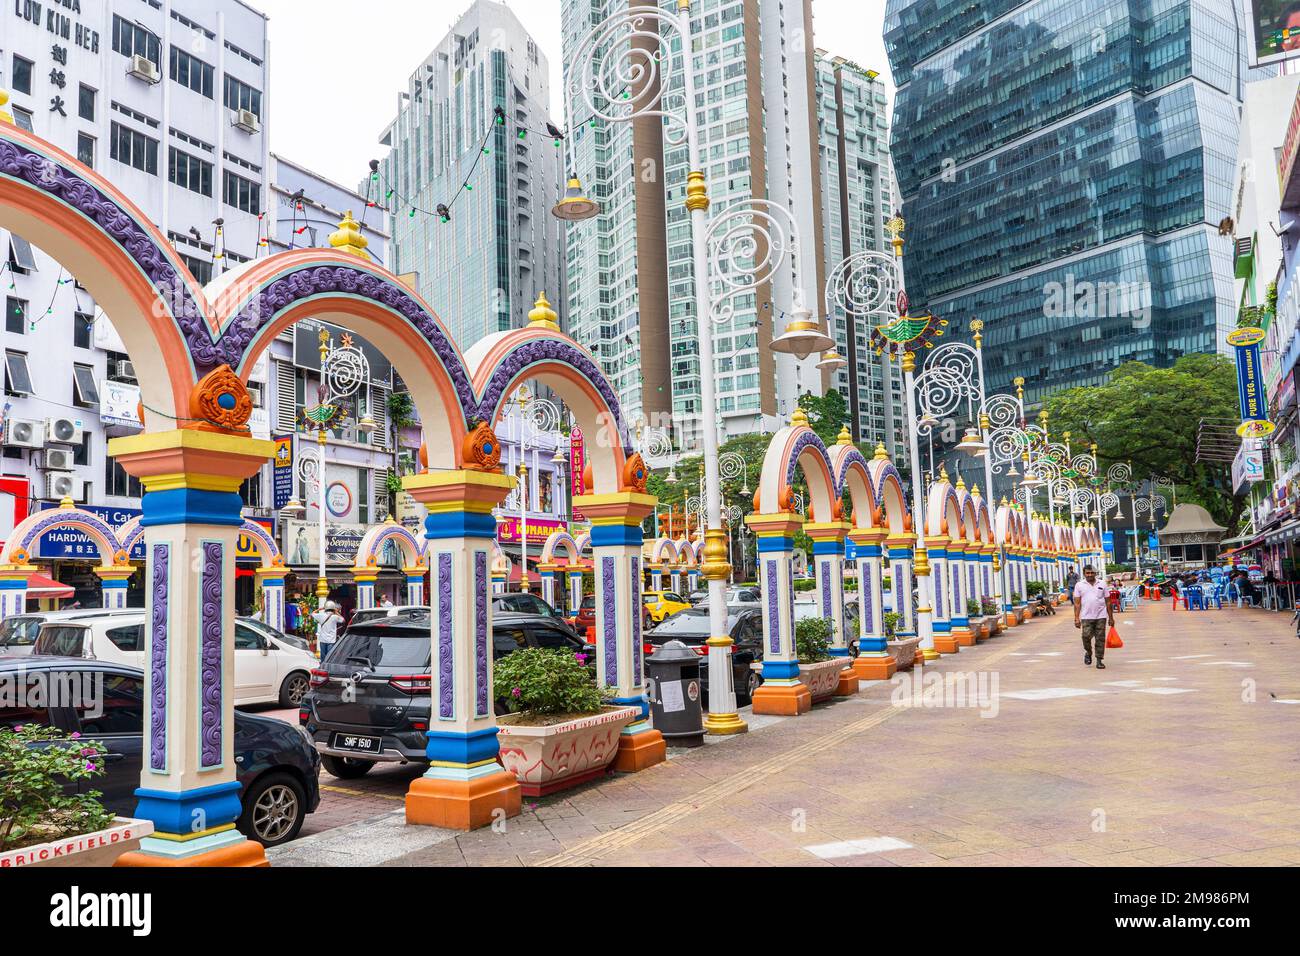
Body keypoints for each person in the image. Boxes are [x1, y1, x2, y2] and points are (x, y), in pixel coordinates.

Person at [1073, 564, 1114, 669]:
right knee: (1085, 637)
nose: (1090, 575)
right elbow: (1077, 603)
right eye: (1087, 573)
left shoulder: (1102, 584)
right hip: (1086, 616)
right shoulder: (1079, 585)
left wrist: (1111, 618)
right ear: (1084, 574)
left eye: (1092, 573)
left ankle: (1099, 660)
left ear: (1095, 573)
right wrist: (1076, 618)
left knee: (1100, 638)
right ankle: (1088, 652)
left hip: (1101, 615)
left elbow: (1108, 601)